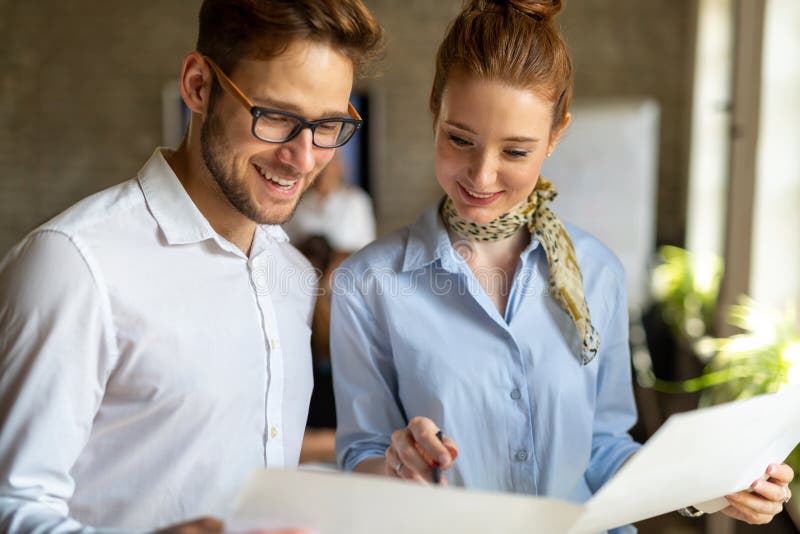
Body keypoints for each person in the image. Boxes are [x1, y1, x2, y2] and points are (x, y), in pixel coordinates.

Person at [330, 0, 793, 531]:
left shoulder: (597, 273)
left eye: (516, 151)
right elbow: (359, 454)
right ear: (434, 109)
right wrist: (396, 466)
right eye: (460, 139)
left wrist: (709, 485)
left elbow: (602, 447)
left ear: (555, 135)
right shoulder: (366, 284)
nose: (481, 176)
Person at [0, 1, 382, 533]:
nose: (304, 157)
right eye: (275, 116)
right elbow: (12, 507)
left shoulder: (291, 275)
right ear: (199, 85)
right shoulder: (74, 264)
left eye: (328, 125)